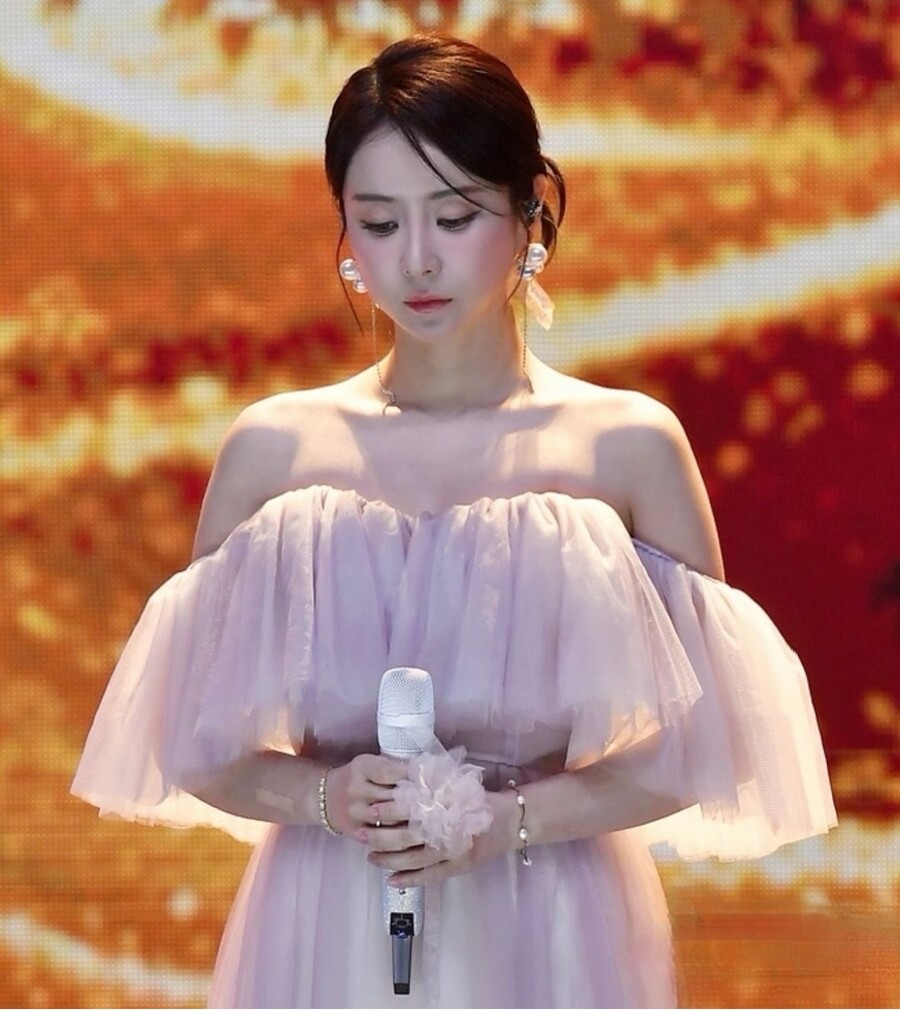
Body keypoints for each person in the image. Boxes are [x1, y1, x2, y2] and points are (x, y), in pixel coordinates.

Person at [71, 33, 837, 1009]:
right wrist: (324, 798)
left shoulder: (627, 446)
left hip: (549, 913)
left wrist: (507, 820)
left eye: (455, 214)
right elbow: (194, 739)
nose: (417, 259)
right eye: (379, 222)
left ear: (530, 214)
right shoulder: (275, 449)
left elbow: (703, 745)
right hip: (326, 914)